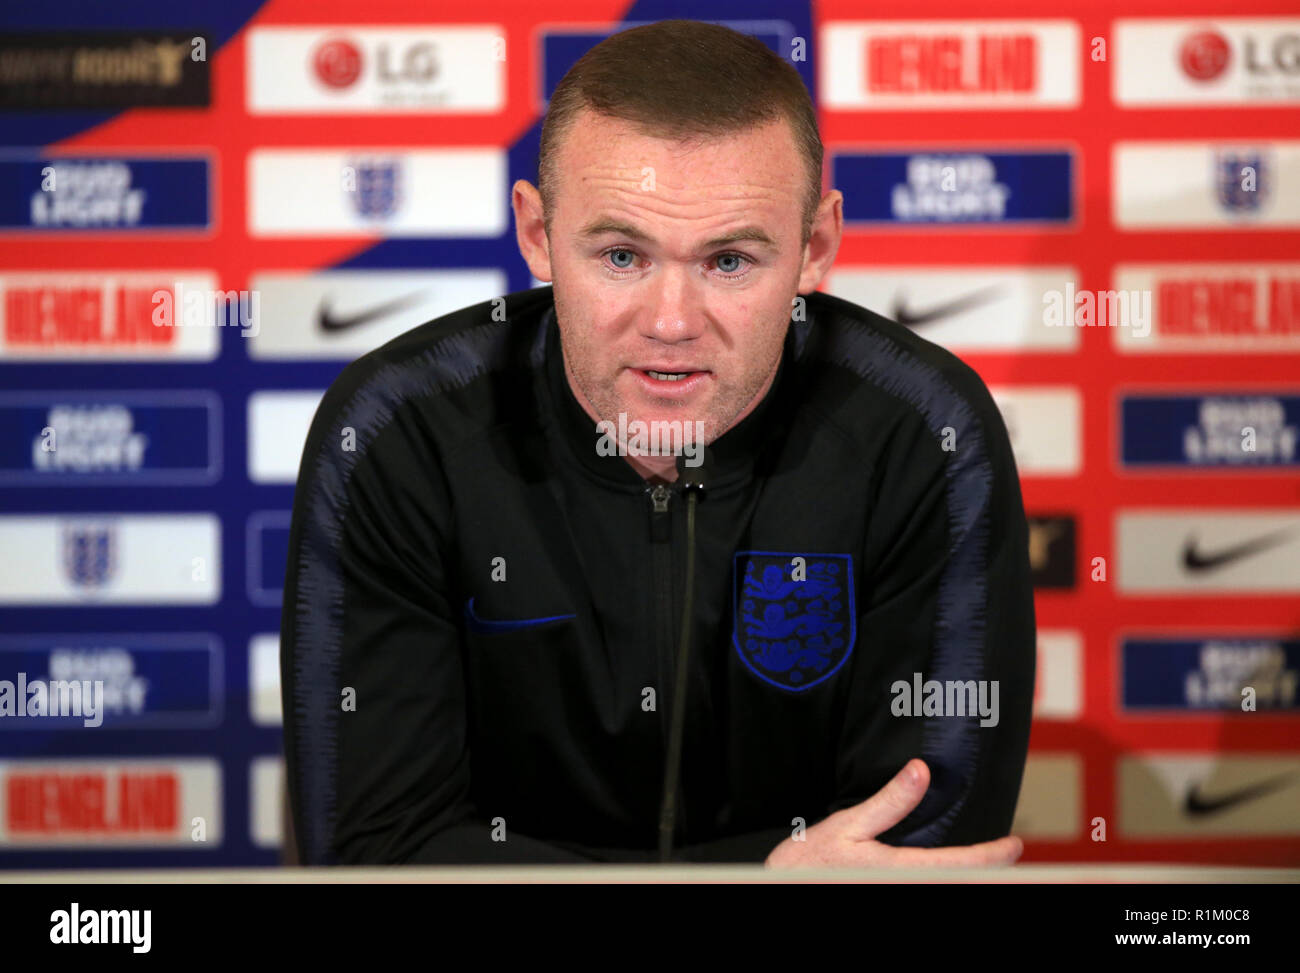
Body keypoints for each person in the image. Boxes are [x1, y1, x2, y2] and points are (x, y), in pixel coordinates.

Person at [281, 19, 1035, 868]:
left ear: (815, 247)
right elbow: (376, 856)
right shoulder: (398, 432)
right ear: (537, 235)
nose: (671, 323)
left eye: (730, 262)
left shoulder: (923, 433)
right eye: (621, 255)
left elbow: (924, 851)